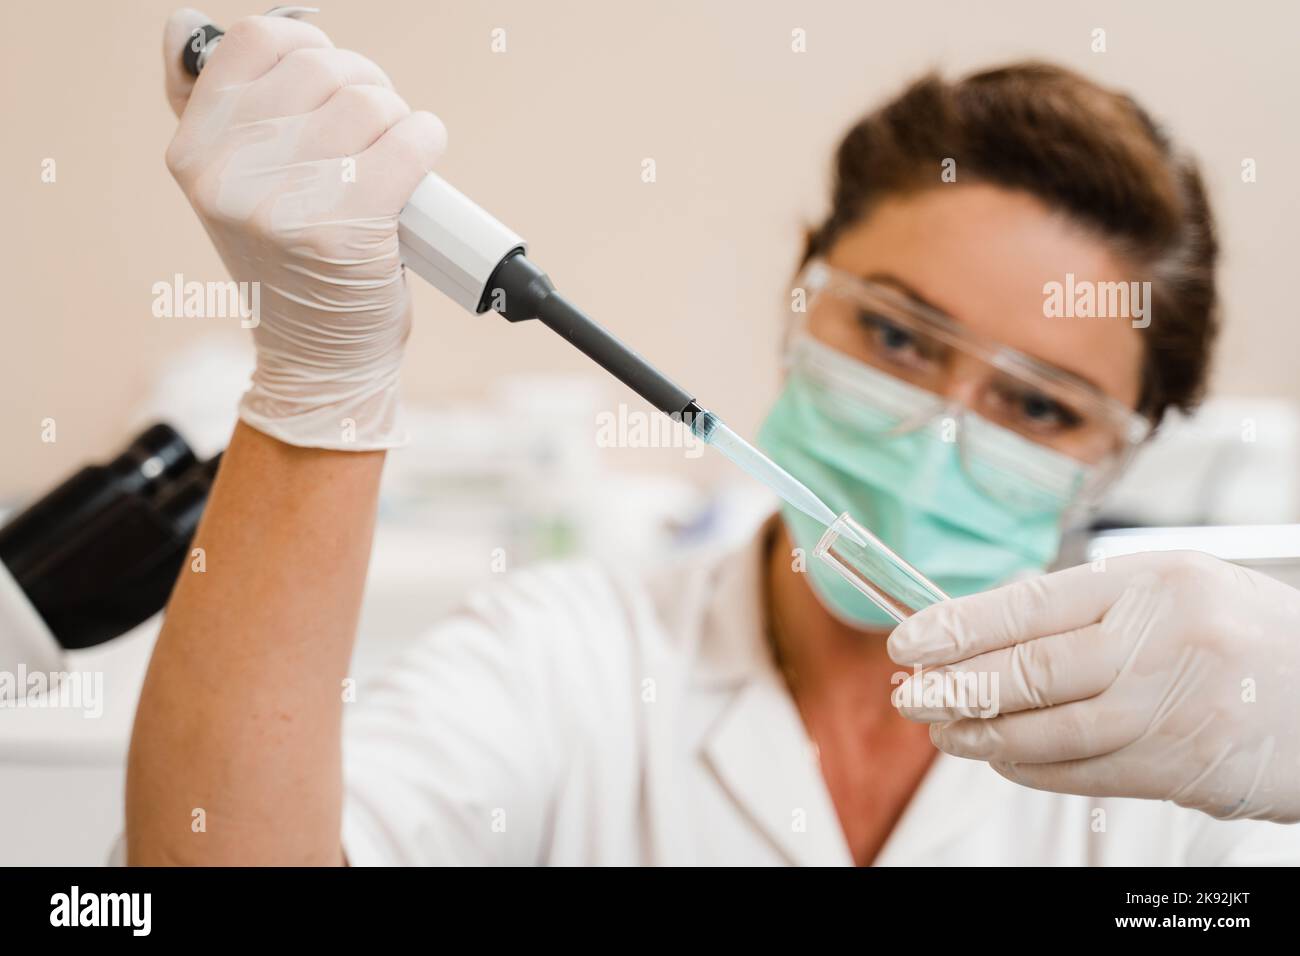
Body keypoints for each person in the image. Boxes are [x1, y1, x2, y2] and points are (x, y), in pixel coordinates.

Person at [127, 11, 1300, 865]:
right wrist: (319, 378)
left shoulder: (1195, 763)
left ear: (1124, 451)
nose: (937, 435)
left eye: (1039, 405)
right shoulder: (569, 658)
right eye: (895, 335)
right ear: (804, 295)